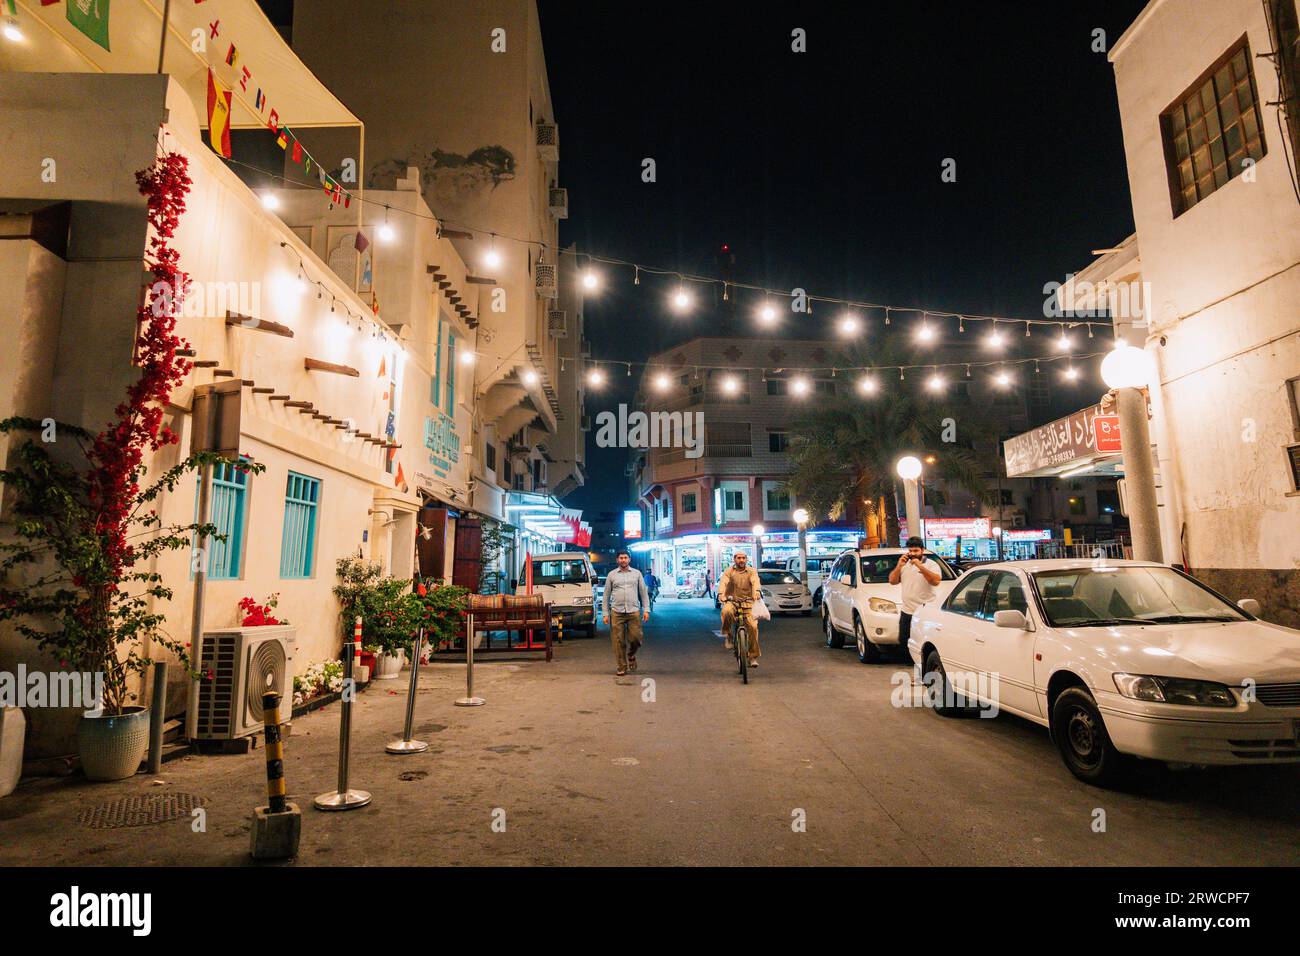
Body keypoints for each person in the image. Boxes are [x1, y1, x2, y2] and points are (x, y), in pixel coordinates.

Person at [888, 536, 942, 651]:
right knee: (904, 641)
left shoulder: (931, 564)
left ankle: (922, 664)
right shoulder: (904, 565)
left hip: (924, 611)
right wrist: (899, 566)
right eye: (910, 551)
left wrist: (920, 566)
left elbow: (935, 581)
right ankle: (908, 663)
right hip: (907, 611)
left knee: (923, 641)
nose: (913, 553)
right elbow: (892, 581)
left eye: (916, 551)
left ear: (922, 550)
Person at [602, 550, 649, 677]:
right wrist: (605, 613)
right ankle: (622, 667)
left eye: (625, 557)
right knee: (618, 641)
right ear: (617, 560)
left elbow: (643, 593)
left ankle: (631, 654)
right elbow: (606, 595)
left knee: (636, 638)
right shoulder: (612, 575)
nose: (623, 560)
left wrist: (646, 609)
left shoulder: (637, 574)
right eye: (621, 558)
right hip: (616, 612)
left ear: (629, 559)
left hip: (633, 611)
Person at [718, 550, 763, 668]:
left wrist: (757, 592)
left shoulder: (752, 571)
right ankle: (728, 635)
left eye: (743, 558)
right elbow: (723, 582)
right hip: (732, 602)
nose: (741, 560)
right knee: (726, 611)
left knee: (753, 627)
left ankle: (752, 656)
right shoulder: (729, 571)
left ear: (746, 560)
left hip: (748, 603)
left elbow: (755, 582)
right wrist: (721, 594)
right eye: (739, 558)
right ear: (734, 559)